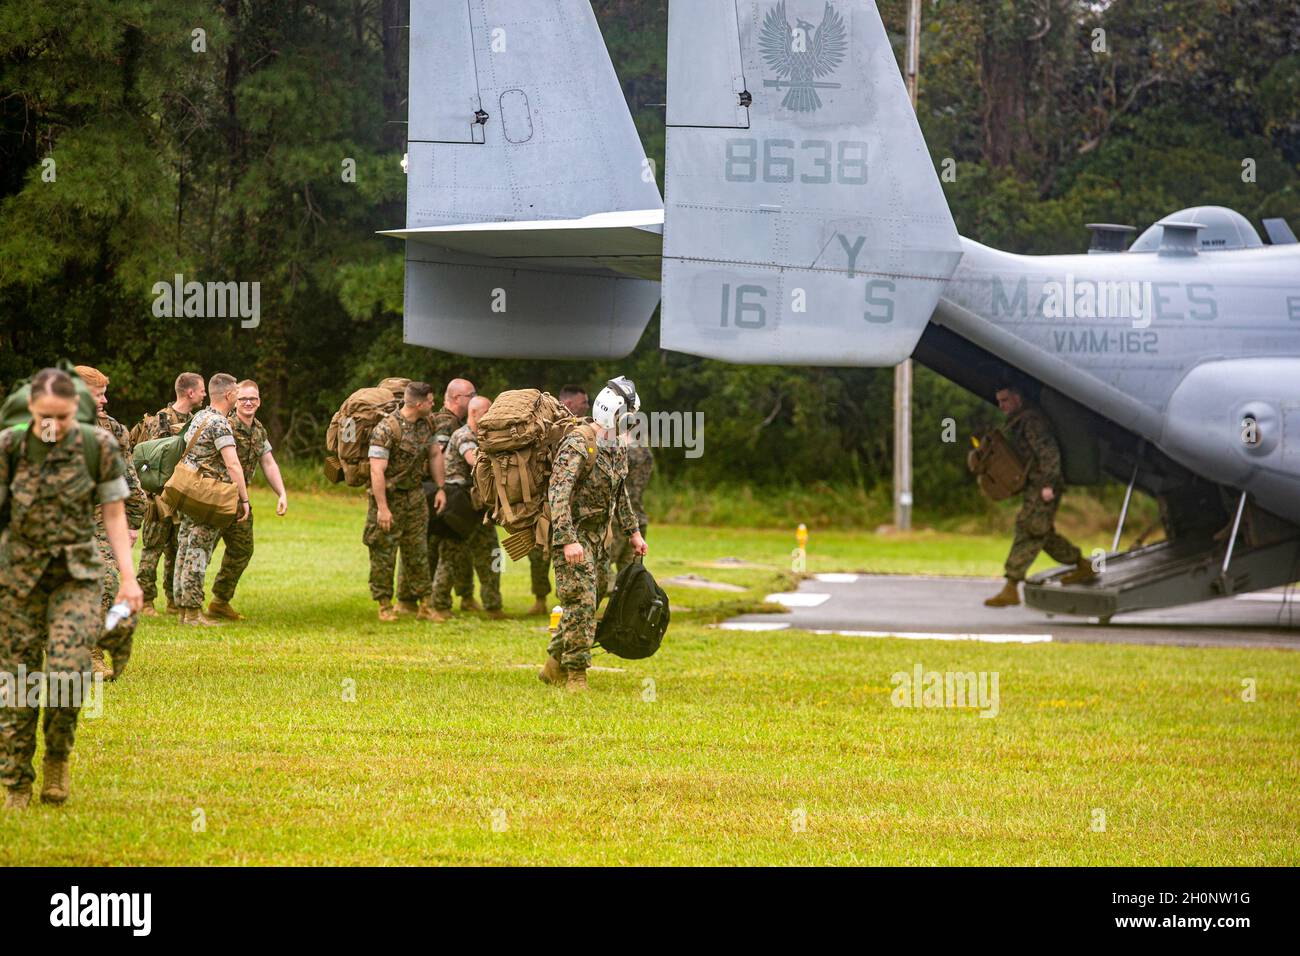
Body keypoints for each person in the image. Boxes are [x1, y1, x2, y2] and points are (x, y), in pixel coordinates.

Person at [0, 368, 143, 808]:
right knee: (17, 682)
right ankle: (16, 783)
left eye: (61, 417)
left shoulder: (97, 446)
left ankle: (57, 759)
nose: (52, 426)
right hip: (19, 578)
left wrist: (128, 577)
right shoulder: (11, 446)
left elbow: (114, 512)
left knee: (67, 673)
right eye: (44, 416)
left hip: (76, 576)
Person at [540, 377, 647, 692]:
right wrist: (568, 539)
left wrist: (633, 532)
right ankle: (576, 675)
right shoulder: (578, 444)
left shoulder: (615, 446)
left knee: (593, 596)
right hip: (573, 537)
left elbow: (620, 493)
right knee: (581, 603)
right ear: (612, 412)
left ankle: (552, 665)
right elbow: (558, 493)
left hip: (602, 537)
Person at [984, 382, 1094, 607]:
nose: (1001, 405)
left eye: (1005, 400)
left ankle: (1011, 586)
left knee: (1030, 527)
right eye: (999, 401)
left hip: (1043, 485)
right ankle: (1083, 565)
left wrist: (1048, 485)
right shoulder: (1020, 419)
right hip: (1036, 484)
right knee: (1040, 531)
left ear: (1017, 398)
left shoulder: (1032, 421)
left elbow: (1049, 452)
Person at [73, 366, 147, 676]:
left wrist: (132, 522)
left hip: (102, 515)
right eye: (97, 394)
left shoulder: (113, 430)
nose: (104, 400)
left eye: (105, 393)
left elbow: (128, 478)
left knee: (105, 580)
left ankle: (93, 654)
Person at [172, 374, 251, 625]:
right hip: (207, 495)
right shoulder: (219, 423)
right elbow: (233, 464)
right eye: (237, 392)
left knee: (185, 546)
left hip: (188, 491)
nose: (238, 396)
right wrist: (244, 499)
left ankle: (184, 610)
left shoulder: (200, 417)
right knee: (198, 550)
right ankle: (194, 613)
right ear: (229, 396)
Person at [207, 380, 288, 621]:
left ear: (259, 401)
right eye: (243, 399)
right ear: (234, 400)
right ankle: (181, 603)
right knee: (201, 550)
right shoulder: (226, 425)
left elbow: (268, 462)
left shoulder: (258, 430)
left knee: (242, 549)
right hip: (217, 496)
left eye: (253, 399)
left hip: (240, 503)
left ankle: (220, 601)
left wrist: (281, 493)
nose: (248, 403)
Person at [397, 378, 476, 613]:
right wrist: (440, 488)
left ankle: (423, 598)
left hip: (437, 491)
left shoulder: (450, 421)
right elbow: (435, 458)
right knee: (425, 546)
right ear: (455, 398)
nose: (473, 398)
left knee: (434, 547)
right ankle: (410, 598)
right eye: (470, 395)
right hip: (433, 491)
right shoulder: (443, 423)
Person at [368, 381, 439, 622]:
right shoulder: (387, 429)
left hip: (415, 496)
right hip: (389, 497)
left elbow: (435, 454)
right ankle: (384, 605)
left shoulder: (427, 423)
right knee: (384, 553)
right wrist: (383, 508)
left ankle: (426, 604)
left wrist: (441, 488)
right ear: (419, 403)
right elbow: (376, 471)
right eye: (430, 400)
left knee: (418, 550)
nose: (433, 404)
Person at [430, 396, 505, 621]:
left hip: (479, 506)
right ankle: (439, 606)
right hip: (459, 506)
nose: (491, 415)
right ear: (474, 413)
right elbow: (475, 461)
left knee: (492, 554)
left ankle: (493, 605)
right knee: (451, 557)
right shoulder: (464, 436)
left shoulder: (487, 436)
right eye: (487, 411)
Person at [136, 372, 205, 615]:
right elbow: (154, 459)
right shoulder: (162, 419)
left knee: (176, 548)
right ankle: (145, 600)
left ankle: (173, 600)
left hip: (182, 493)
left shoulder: (198, 419)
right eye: (201, 390)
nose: (204, 394)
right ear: (190, 392)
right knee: (153, 546)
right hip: (159, 495)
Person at [528, 384, 591, 615]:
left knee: (569, 557)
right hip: (543, 505)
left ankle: (566, 602)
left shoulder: (585, 431)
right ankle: (540, 599)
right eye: (584, 402)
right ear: (571, 403)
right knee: (539, 556)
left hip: (573, 507)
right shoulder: (549, 429)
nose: (587, 406)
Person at [610, 441, 654, 573]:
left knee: (601, 562)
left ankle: (612, 589)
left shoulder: (621, 450)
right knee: (630, 570)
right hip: (638, 515)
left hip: (620, 517)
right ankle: (620, 592)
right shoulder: (645, 452)